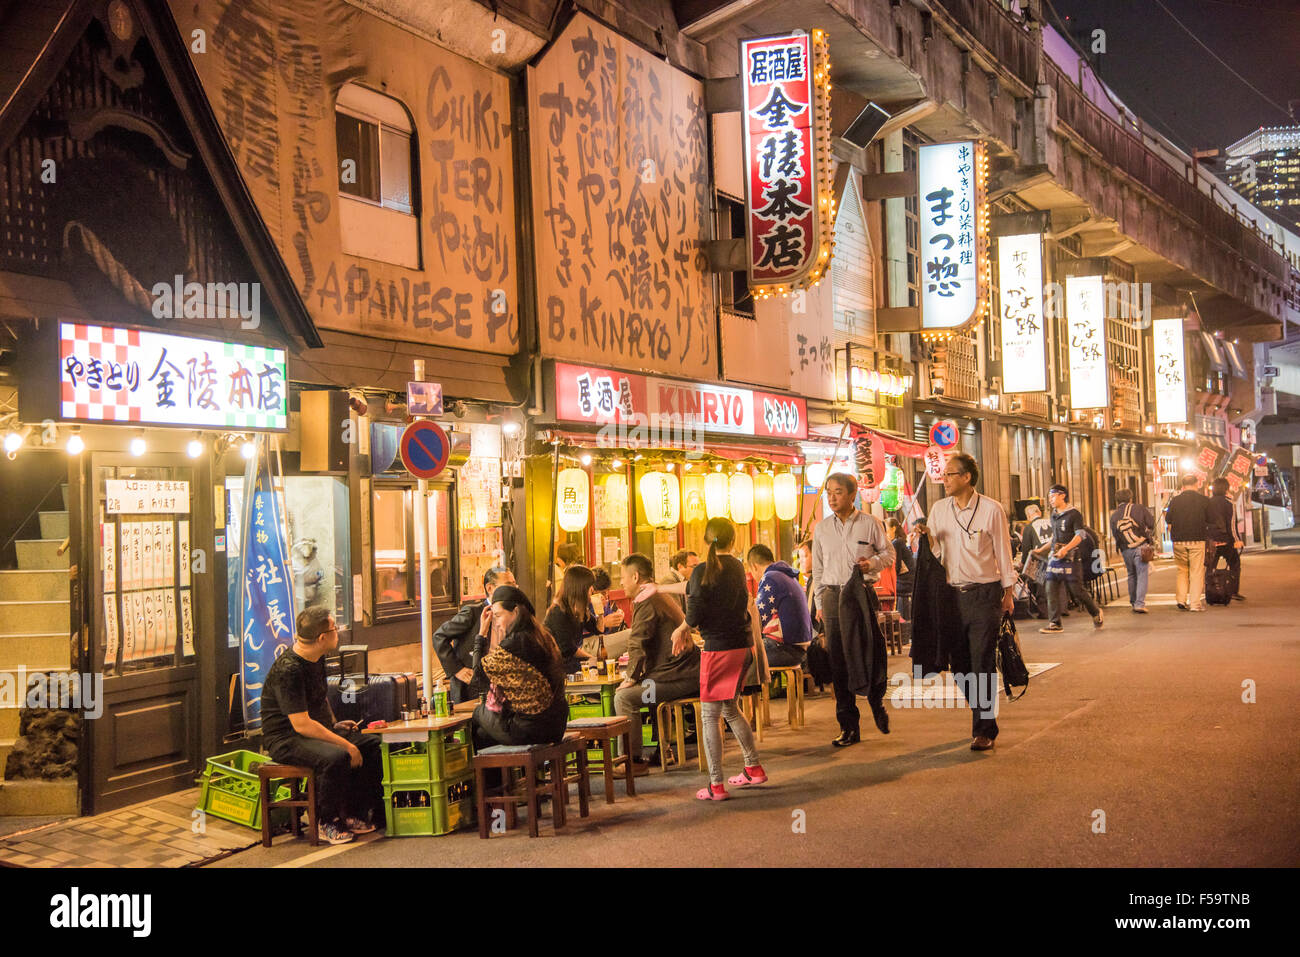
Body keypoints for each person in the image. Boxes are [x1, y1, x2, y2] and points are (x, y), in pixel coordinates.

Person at [914, 452, 1016, 752]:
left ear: (966, 477)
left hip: (984, 595)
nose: (944, 480)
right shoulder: (939, 509)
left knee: (982, 661)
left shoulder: (991, 510)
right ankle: (985, 713)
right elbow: (935, 554)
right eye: (943, 475)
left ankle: (984, 729)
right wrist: (925, 538)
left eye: (949, 474)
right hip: (949, 596)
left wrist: (1008, 593)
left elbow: (1003, 550)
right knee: (958, 664)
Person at [259, 607, 384, 844]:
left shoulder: (317, 658)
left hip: (310, 730)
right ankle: (327, 822)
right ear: (322, 638)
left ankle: (354, 813)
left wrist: (335, 725)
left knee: (371, 744)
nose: (339, 632)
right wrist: (346, 744)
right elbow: (302, 725)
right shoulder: (289, 670)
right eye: (335, 628)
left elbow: (320, 698)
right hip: (285, 739)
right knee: (337, 756)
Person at [672, 517, 767, 800]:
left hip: (717, 649)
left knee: (709, 715)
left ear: (705, 540)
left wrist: (682, 628)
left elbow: (695, 611)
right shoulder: (737, 568)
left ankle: (715, 785)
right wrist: (659, 588)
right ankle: (753, 768)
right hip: (742, 647)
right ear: (733, 541)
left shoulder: (704, 570)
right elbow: (695, 589)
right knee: (729, 708)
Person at [811, 472, 891, 747]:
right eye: (829, 492)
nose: (832, 498)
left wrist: (873, 564)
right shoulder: (821, 529)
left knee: (869, 652)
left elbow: (888, 555)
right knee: (839, 663)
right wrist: (820, 606)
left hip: (862, 596)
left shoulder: (870, 523)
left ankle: (876, 702)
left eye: (838, 492)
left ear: (852, 494)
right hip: (834, 597)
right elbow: (818, 570)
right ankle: (848, 726)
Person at [614, 553, 701, 773]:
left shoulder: (646, 600)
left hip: (679, 678)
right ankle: (663, 750)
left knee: (625, 697)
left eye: (623, 577)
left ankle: (632, 762)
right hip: (683, 674)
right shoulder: (658, 596)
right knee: (649, 687)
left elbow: (638, 641)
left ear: (635, 577)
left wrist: (631, 677)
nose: (621, 582)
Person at [470, 584, 568, 749]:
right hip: (556, 725)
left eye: (498, 616)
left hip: (532, 729)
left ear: (515, 612)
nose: (497, 623)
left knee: (478, 714)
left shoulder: (516, 643)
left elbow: (479, 676)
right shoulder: (543, 636)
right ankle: (523, 774)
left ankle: (489, 774)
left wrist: (481, 634)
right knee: (484, 733)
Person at [432, 566, 515, 703]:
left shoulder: (512, 614)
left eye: (514, 584)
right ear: (489, 588)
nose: (513, 589)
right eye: (508, 585)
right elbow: (439, 636)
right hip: (471, 688)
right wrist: (457, 669)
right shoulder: (473, 613)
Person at [1034, 484, 1104, 633]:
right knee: (1050, 586)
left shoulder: (1074, 514)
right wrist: (1041, 549)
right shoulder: (1053, 515)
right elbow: (1054, 537)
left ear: (1062, 495)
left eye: (1053, 496)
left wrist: (1066, 549)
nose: (1050, 500)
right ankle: (1055, 623)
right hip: (1055, 556)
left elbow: (1080, 535)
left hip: (1071, 557)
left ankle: (1096, 612)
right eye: (1049, 497)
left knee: (1077, 590)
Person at [745, 543, 812, 668]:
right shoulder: (787, 576)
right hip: (801, 650)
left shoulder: (769, 578)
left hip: (785, 650)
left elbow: (758, 619)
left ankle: (755, 689)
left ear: (754, 566)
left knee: (741, 656)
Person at [1165, 473, 1211, 612]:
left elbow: (1168, 519)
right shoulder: (1204, 500)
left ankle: (1181, 600)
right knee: (1196, 572)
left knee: (1182, 570)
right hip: (1197, 539)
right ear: (1197, 484)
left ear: (1183, 486)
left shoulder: (1175, 501)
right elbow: (1210, 519)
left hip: (1178, 541)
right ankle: (1195, 603)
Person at [545, 565, 600, 674]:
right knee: (597, 669)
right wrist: (593, 659)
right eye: (590, 586)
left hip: (572, 663)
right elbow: (568, 650)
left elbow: (598, 629)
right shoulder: (558, 612)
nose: (592, 590)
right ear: (580, 588)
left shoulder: (579, 609)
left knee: (600, 669)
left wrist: (600, 611)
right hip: (559, 667)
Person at [1108, 490, 1155, 614]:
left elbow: (1115, 534)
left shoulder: (1114, 515)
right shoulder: (1139, 508)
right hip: (1141, 546)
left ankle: (1133, 602)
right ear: (1130, 499)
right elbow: (1151, 523)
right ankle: (1139, 604)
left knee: (1131, 575)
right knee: (1142, 574)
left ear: (1117, 501)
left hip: (1125, 549)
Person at [1206, 478, 1245, 601]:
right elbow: (1231, 525)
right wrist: (1237, 540)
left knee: (1210, 566)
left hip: (1211, 541)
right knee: (1235, 564)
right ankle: (1233, 591)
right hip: (1226, 540)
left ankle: (1209, 590)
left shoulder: (1207, 503)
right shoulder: (1229, 504)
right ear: (1226, 489)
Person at [1017, 504, 1052, 618]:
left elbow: (1026, 548)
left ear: (1028, 516)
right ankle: (1062, 610)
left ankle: (1044, 612)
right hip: (1055, 557)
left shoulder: (1029, 527)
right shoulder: (1050, 522)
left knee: (1039, 585)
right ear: (1039, 513)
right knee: (1057, 585)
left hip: (1040, 559)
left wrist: (1022, 563)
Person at [886, 519, 916, 621]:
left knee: (885, 592)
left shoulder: (896, 543)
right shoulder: (899, 541)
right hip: (908, 581)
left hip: (905, 582)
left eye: (886, 529)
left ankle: (899, 624)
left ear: (893, 528)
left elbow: (896, 568)